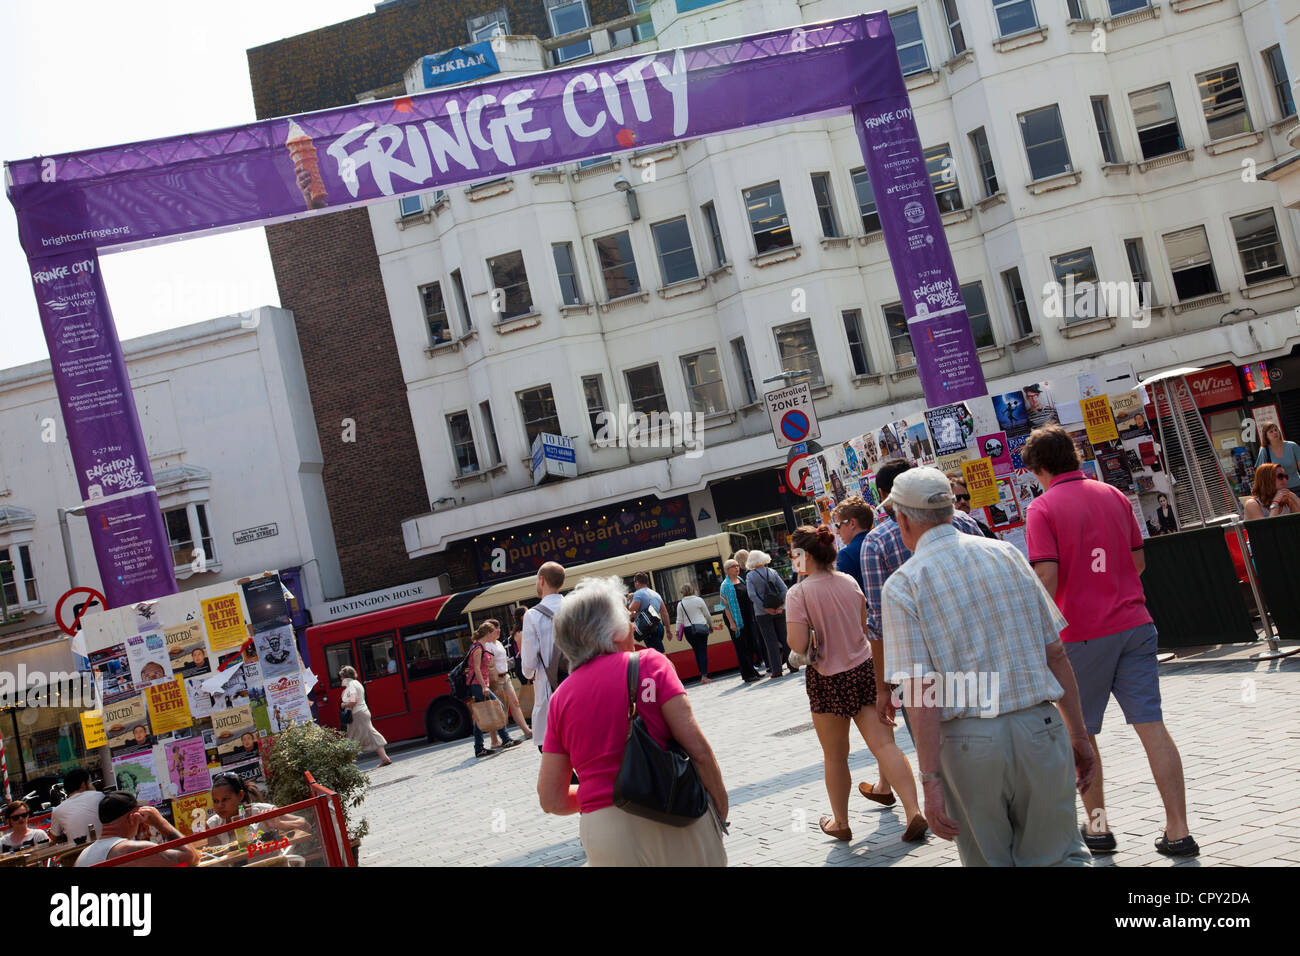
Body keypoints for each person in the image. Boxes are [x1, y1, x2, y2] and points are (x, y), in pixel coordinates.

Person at [879, 467, 1096, 867]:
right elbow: (1056, 653)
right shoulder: (1007, 554)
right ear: (948, 510)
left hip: (968, 742)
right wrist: (1078, 734)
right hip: (1039, 726)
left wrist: (930, 779)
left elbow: (920, 692)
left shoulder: (904, 584)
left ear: (904, 521)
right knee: (1061, 857)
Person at [1023, 424, 1197, 857]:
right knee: (1152, 727)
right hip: (1134, 622)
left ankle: (1098, 828)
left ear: (1040, 468)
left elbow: (1046, 576)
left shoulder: (1042, 508)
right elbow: (1138, 561)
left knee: (1081, 734)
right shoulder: (1114, 495)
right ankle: (1178, 831)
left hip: (1081, 634)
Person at [537, 576, 728, 866]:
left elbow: (551, 798)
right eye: (627, 619)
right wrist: (719, 810)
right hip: (674, 811)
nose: (631, 626)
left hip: (606, 832)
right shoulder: (650, 664)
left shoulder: (560, 699)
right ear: (612, 631)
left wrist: (602, 791)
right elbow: (698, 751)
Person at [784, 525, 925, 843]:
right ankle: (914, 811)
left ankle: (841, 821)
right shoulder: (848, 582)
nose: (792, 558)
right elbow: (863, 627)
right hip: (863, 671)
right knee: (885, 745)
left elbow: (797, 644)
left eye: (794, 553)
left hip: (825, 680)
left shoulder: (798, 593)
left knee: (835, 757)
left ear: (803, 556)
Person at [859, 459, 985, 805]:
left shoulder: (876, 543)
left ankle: (951, 802)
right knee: (982, 722)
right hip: (977, 650)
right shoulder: (965, 523)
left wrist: (883, 688)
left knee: (932, 738)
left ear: (886, 496)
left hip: (918, 666)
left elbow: (879, 624)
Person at [74, 791, 199, 867]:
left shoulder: (83, 855)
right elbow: (191, 858)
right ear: (132, 817)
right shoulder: (130, 850)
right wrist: (160, 822)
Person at [521, 561, 566, 753]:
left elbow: (529, 664)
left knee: (550, 747)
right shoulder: (575, 606)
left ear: (542, 581)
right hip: (581, 682)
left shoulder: (532, 615)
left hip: (550, 689)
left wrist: (528, 672)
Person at [466, 622, 520, 758]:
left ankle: (480, 747)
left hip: (479, 684)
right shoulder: (478, 647)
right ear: (488, 633)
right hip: (478, 685)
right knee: (498, 706)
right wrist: (484, 686)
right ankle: (505, 739)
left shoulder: (480, 646)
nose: (495, 634)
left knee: (483, 714)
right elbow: (477, 668)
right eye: (493, 632)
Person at [746, 550, 798, 679]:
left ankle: (777, 670)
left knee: (771, 641)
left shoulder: (750, 576)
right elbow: (784, 589)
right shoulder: (772, 572)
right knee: (785, 638)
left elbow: (752, 595)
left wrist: (765, 608)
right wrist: (780, 605)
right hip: (780, 610)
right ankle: (793, 665)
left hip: (762, 614)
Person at [206, 772, 305, 841]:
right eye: (216, 801)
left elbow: (305, 824)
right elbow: (214, 858)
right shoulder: (213, 824)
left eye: (225, 799)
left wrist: (279, 824)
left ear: (240, 795)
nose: (220, 805)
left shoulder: (263, 811)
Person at [483, 619, 532, 739]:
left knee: (515, 703)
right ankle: (495, 738)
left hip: (505, 676)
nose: (498, 630)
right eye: (495, 628)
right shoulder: (487, 645)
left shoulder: (498, 643)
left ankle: (526, 730)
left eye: (499, 627)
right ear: (489, 630)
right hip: (496, 679)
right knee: (498, 709)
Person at [338, 666, 393, 766]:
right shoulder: (357, 683)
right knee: (370, 734)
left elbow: (353, 701)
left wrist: (344, 705)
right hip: (363, 711)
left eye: (341, 677)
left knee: (351, 738)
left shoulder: (351, 685)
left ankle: (348, 766)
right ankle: (384, 758)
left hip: (357, 714)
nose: (341, 679)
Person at [720, 560, 761, 682]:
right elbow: (725, 606)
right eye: (733, 566)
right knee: (741, 647)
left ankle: (753, 671)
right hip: (736, 620)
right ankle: (747, 674)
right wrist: (732, 623)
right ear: (727, 570)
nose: (736, 568)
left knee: (749, 644)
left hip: (747, 618)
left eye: (737, 565)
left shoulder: (741, 580)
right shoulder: (725, 586)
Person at [732, 549, 766, 675]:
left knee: (754, 636)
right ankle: (763, 659)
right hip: (758, 608)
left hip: (750, 610)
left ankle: (759, 659)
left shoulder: (740, 577)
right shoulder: (752, 572)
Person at [49, 767, 103, 844]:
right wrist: (94, 791)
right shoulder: (98, 796)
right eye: (89, 782)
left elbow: (55, 837)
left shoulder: (57, 810)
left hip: (77, 854)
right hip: (105, 847)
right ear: (83, 784)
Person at [673, 583, 714, 683]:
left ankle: (702, 674)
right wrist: (710, 625)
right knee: (702, 651)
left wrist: (677, 631)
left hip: (688, 631)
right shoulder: (698, 600)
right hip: (701, 628)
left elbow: (679, 620)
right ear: (692, 590)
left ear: (683, 592)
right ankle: (704, 676)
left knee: (696, 652)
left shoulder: (680, 604)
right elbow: (707, 614)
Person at [832, 495, 875, 590]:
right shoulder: (880, 541)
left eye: (838, 525)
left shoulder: (846, 555)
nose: (837, 532)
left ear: (852, 523)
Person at [627, 572, 666, 653]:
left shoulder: (638, 594)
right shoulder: (656, 594)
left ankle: (668, 666)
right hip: (659, 626)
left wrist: (629, 600)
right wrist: (668, 630)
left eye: (634, 582)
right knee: (658, 652)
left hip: (648, 628)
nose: (634, 584)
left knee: (659, 655)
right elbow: (664, 613)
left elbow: (631, 609)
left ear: (637, 582)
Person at [1256, 422, 1300, 493]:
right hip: (1278, 491)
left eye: (1276, 430)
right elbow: (1262, 474)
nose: (1275, 432)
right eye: (1271, 431)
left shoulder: (1292, 446)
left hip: (1297, 486)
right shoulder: (1264, 450)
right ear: (1266, 435)